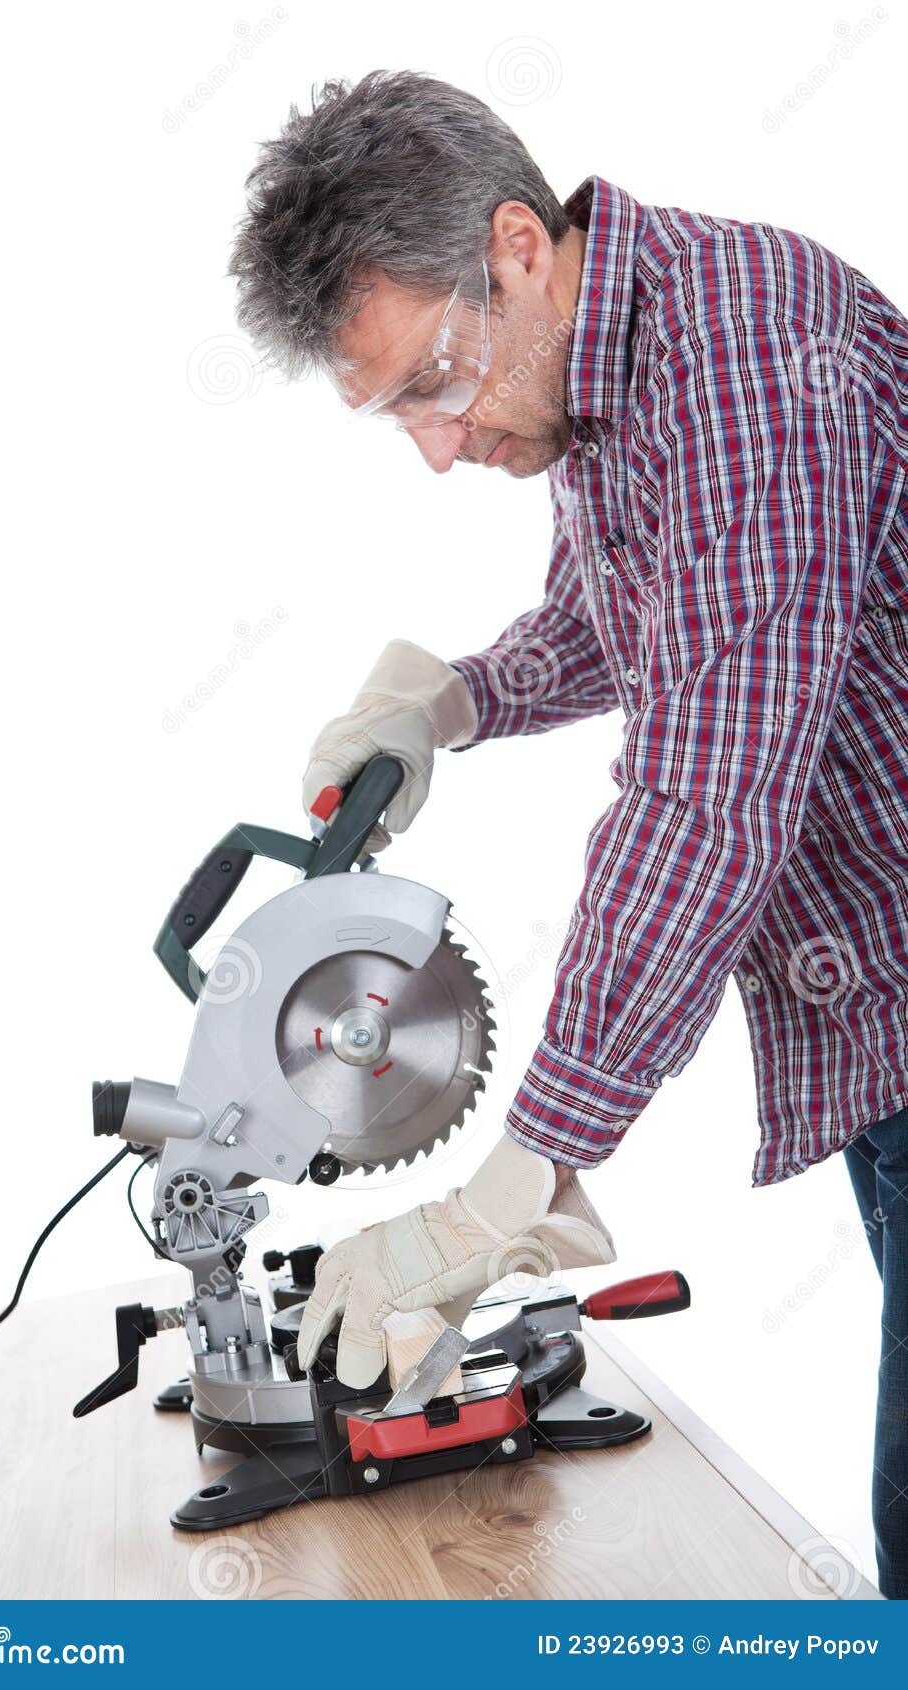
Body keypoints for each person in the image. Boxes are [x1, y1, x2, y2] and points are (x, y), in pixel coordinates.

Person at [228, 71, 908, 1596]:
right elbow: (645, 623)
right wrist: (454, 699)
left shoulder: (745, 365)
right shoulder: (616, 367)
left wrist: (519, 1175)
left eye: (433, 380)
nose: (438, 444)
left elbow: (708, 797)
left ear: (521, 246)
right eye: (393, 410)